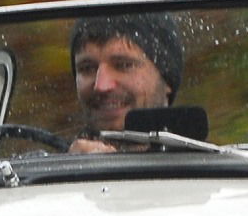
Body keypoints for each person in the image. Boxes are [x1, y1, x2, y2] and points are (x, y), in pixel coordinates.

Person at [67, 12, 183, 153]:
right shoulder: (47, 168)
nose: (101, 86)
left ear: (166, 77)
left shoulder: (205, 168)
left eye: (123, 65)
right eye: (87, 68)